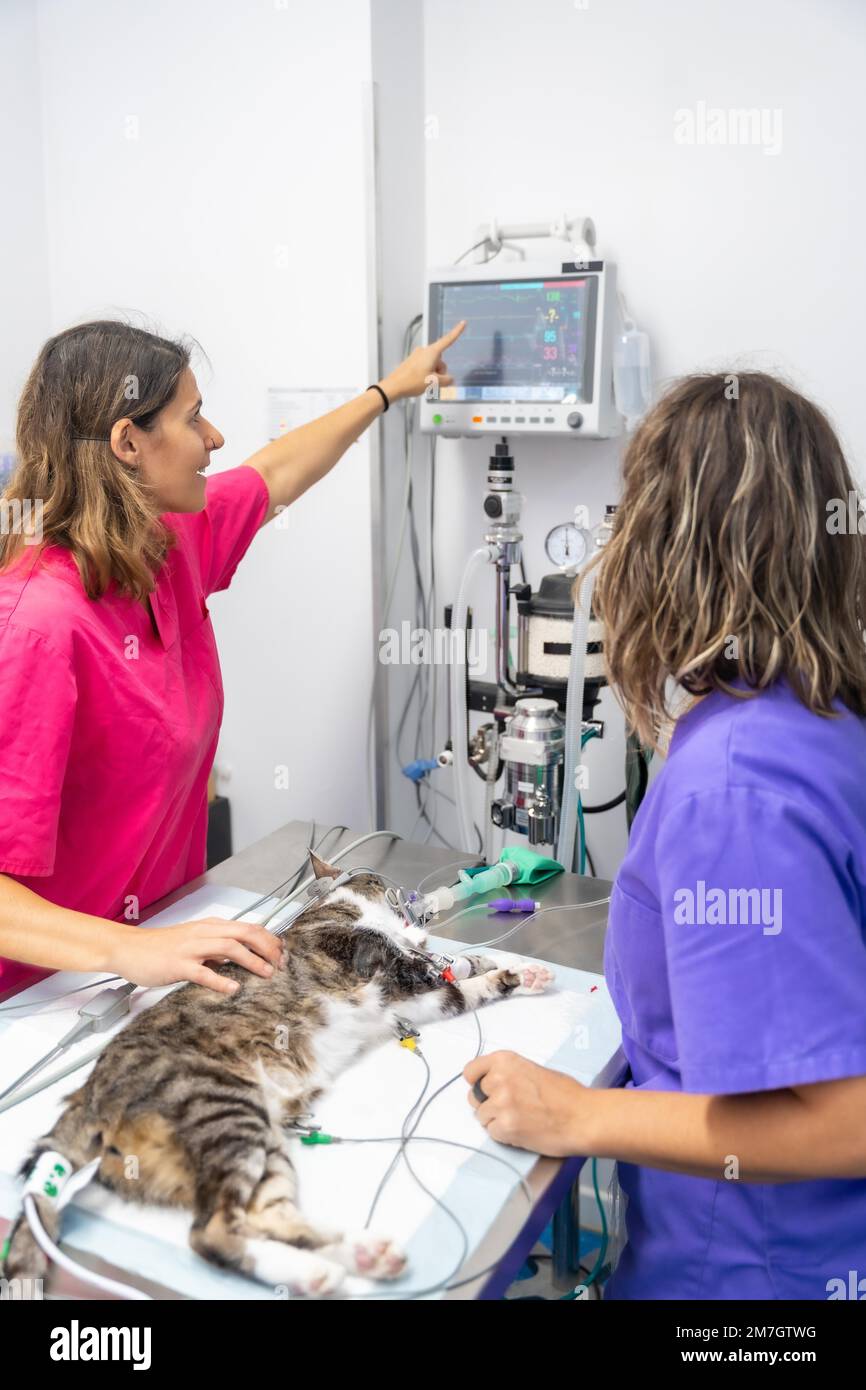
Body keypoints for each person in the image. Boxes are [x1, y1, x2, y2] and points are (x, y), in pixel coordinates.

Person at [465, 371, 866, 1299]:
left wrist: (578, 1116)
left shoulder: (734, 786)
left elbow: (843, 1120)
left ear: (674, 546)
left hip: (757, 1283)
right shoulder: (823, 714)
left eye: (631, 516)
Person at [0, 316, 464, 999]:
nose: (213, 439)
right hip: (38, 999)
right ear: (128, 441)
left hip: (150, 959)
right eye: (194, 419)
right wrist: (133, 949)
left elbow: (275, 473)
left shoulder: (166, 543)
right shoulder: (35, 627)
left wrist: (389, 390)